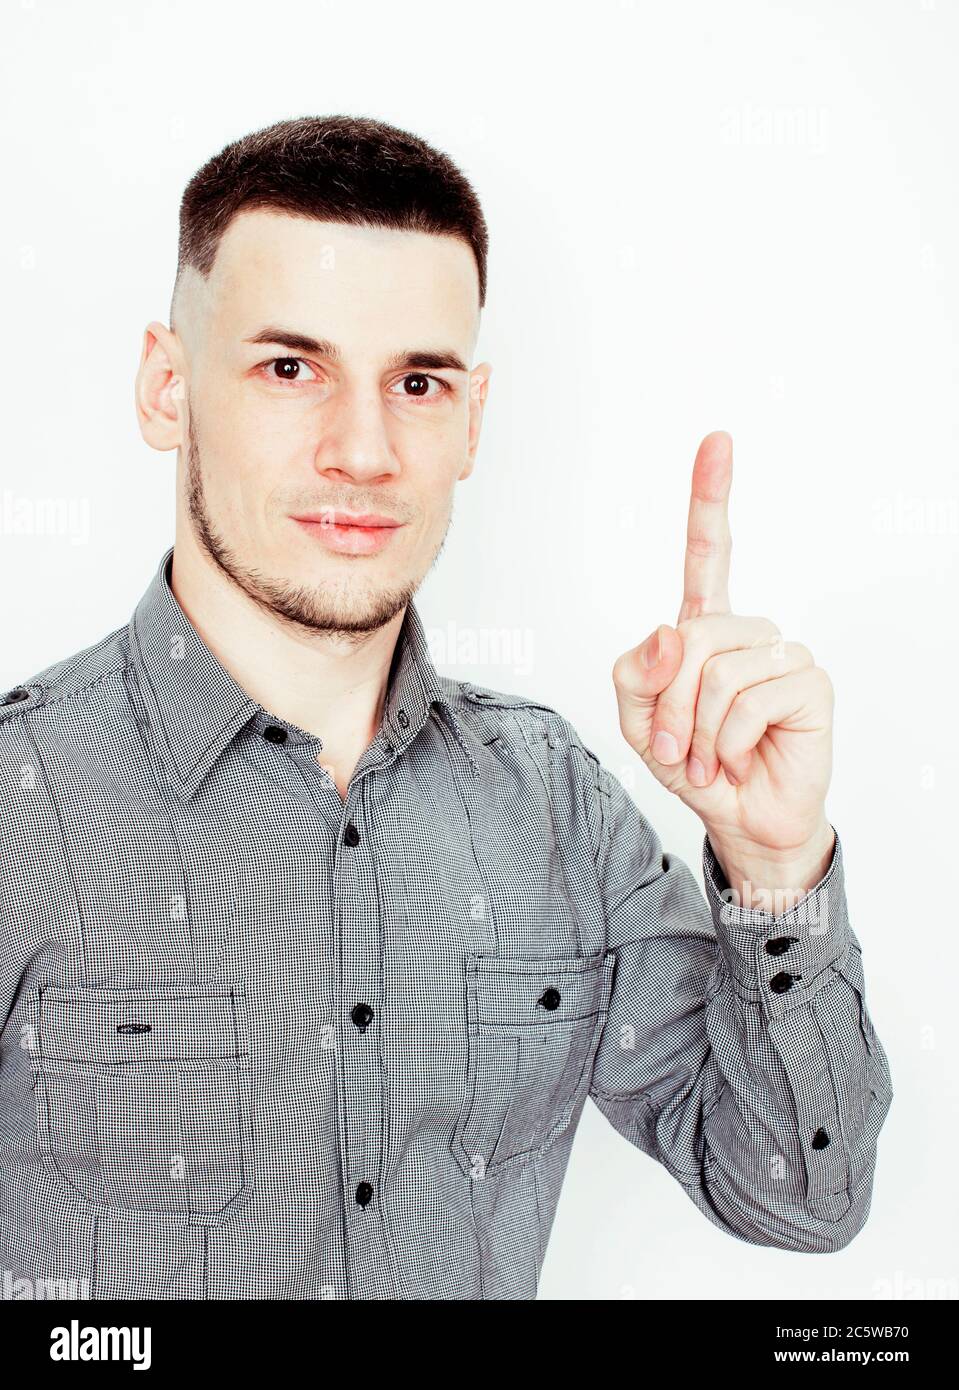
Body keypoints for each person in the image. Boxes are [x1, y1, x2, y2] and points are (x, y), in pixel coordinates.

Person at [0, 114, 892, 1301]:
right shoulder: (21, 803)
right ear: (168, 387)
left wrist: (771, 858)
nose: (362, 450)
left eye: (415, 382)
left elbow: (794, 1195)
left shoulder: (555, 805)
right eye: (288, 367)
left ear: (470, 417)